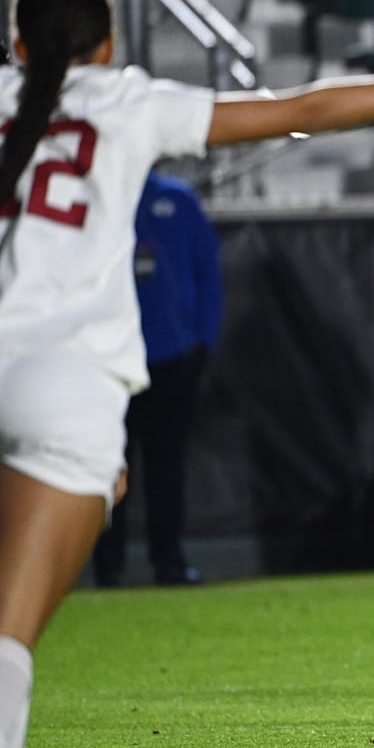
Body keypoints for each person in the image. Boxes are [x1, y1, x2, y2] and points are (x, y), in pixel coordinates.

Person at [0, 0, 374, 748]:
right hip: (68, 386)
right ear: (112, 42)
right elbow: (307, 108)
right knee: (10, 644)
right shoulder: (130, 101)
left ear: (18, 44)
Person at [92, 170, 223, 588]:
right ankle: (105, 566)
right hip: (111, 357)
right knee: (109, 467)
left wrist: (204, 341)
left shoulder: (178, 198)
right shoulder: (100, 191)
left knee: (167, 465)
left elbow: (208, 272)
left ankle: (168, 559)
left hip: (171, 356)